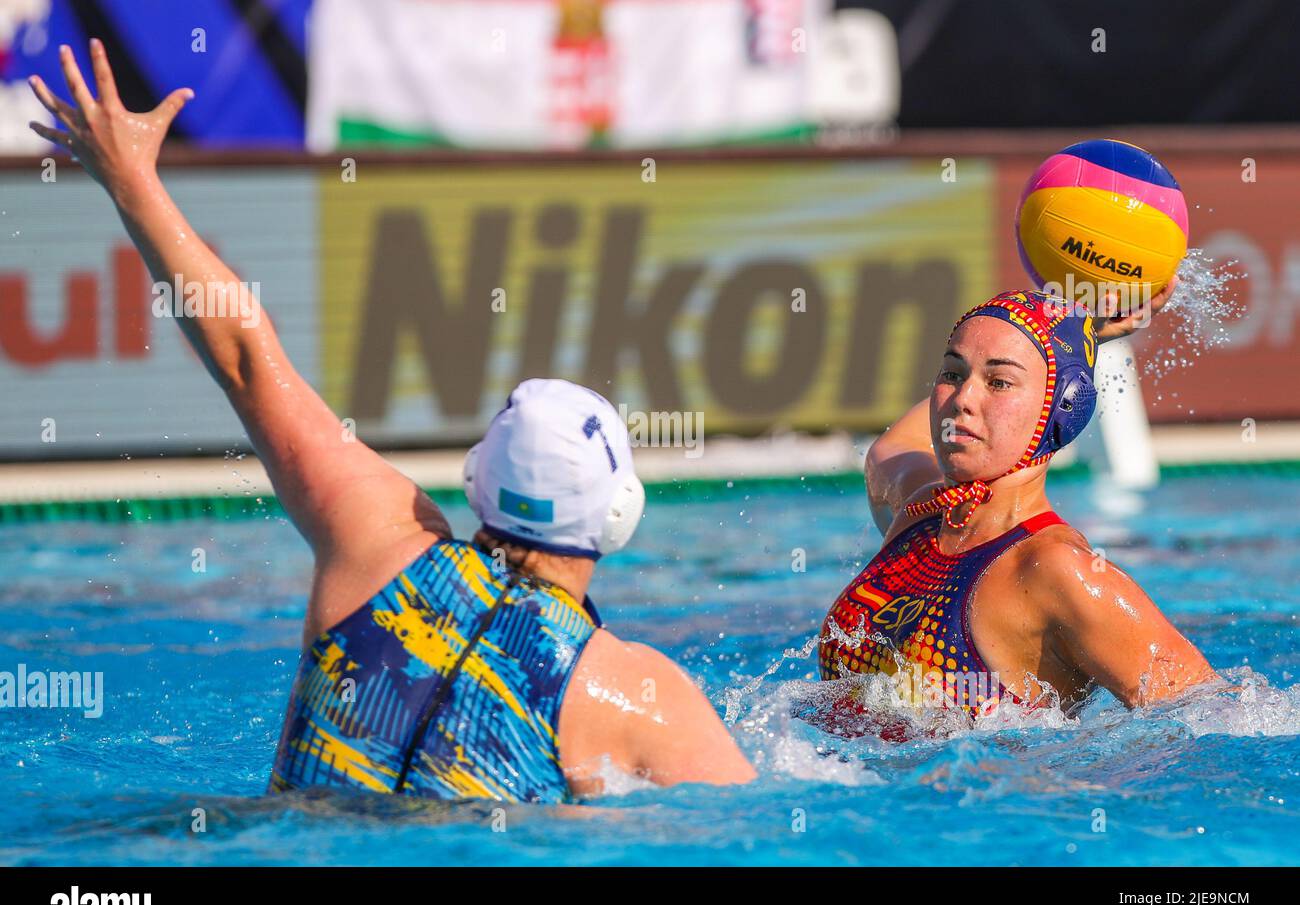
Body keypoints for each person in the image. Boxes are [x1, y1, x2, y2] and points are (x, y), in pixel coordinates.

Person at [28, 41, 754, 801]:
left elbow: (244, 352)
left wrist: (133, 181)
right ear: (619, 516)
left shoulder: (373, 536)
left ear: (476, 479)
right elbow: (756, 830)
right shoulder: (637, 694)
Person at [819, 285, 1221, 726]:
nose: (962, 401)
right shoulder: (921, 514)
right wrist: (1081, 334)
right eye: (953, 374)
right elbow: (890, 450)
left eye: (999, 382)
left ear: (1062, 407)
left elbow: (1214, 719)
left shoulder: (1057, 570)